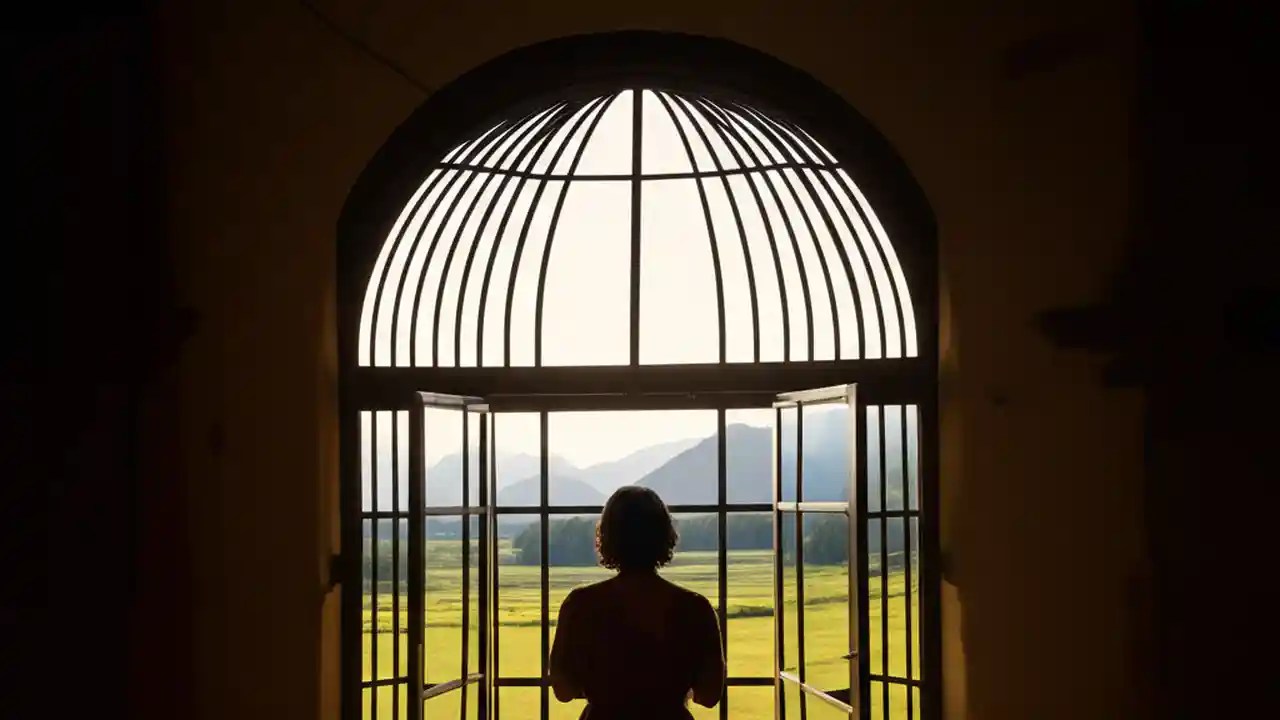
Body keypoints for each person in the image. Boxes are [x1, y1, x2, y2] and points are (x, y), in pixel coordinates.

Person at [549, 486, 725, 719]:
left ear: (607, 536)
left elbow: (563, 690)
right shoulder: (695, 608)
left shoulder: (580, 605)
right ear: (665, 535)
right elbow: (710, 695)